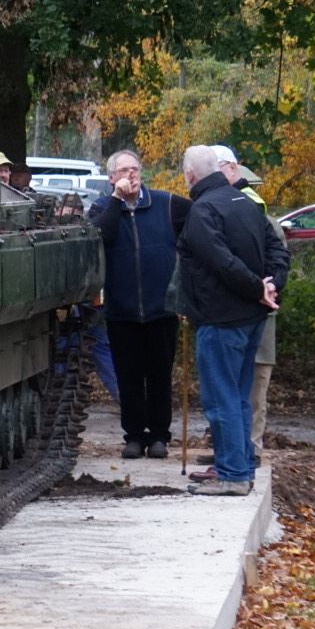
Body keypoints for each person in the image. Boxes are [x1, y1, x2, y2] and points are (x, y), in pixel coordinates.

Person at [176, 144, 289, 496]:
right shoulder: (246, 203)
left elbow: (221, 262)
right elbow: (278, 252)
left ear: (190, 176)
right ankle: (241, 467)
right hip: (252, 317)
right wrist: (271, 285)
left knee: (222, 398)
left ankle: (232, 474)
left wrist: (259, 287)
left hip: (221, 320)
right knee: (238, 396)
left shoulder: (203, 210)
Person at [87, 149, 190, 459]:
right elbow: (102, 236)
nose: (130, 175)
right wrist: (117, 201)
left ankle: (159, 435)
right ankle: (133, 435)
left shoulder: (166, 203)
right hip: (121, 310)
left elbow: (200, 226)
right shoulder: (102, 207)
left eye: (135, 169)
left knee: (159, 375)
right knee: (129, 377)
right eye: (123, 171)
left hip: (162, 309)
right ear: (111, 178)